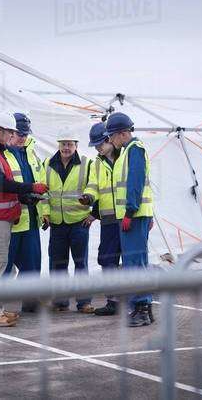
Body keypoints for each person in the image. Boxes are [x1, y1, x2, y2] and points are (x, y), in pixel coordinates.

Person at [0, 111, 48, 327]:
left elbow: (7, 190)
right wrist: (30, 187)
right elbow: (1, 184)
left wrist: (27, 197)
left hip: (3, 219)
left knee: (1, 265)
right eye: (9, 132)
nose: (11, 137)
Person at [104, 112, 155, 327]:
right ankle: (145, 308)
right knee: (139, 262)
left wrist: (129, 212)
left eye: (112, 136)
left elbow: (135, 182)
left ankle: (141, 308)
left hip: (132, 216)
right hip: (137, 216)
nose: (110, 141)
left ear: (122, 133)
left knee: (134, 263)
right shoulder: (129, 151)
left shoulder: (133, 150)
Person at [40, 130, 95, 313]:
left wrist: (90, 202)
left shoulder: (87, 164)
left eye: (70, 144)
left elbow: (94, 186)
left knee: (81, 263)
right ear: (58, 145)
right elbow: (44, 194)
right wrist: (45, 214)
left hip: (79, 222)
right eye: (63, 144)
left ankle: (84, 302)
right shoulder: (48, 164)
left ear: (76, 145)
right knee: (58, 264)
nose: (66, 147)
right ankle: (60, 302)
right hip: (57, 223)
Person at [4, 113, 45, 312]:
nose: (23, 138)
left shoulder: (31, 152)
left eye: (25, 134)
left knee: (32, 264)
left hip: (31, 217)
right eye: (19, 133)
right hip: (11, 218)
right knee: (4, 265)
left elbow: (40, 182)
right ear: (10, 132)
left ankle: (30, 301)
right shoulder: (1, 155)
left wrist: (43, 211)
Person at [81, 122, 121, 316]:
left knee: (132, 261)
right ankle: (113, 301)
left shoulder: (127, 157)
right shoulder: (97, 163)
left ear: (109, 139)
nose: (97, 149)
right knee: (107, 259)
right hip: (109, 221)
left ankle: (136, 301)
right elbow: (93, 185)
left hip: (128, 218)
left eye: (99, 144)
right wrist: (88, 197)